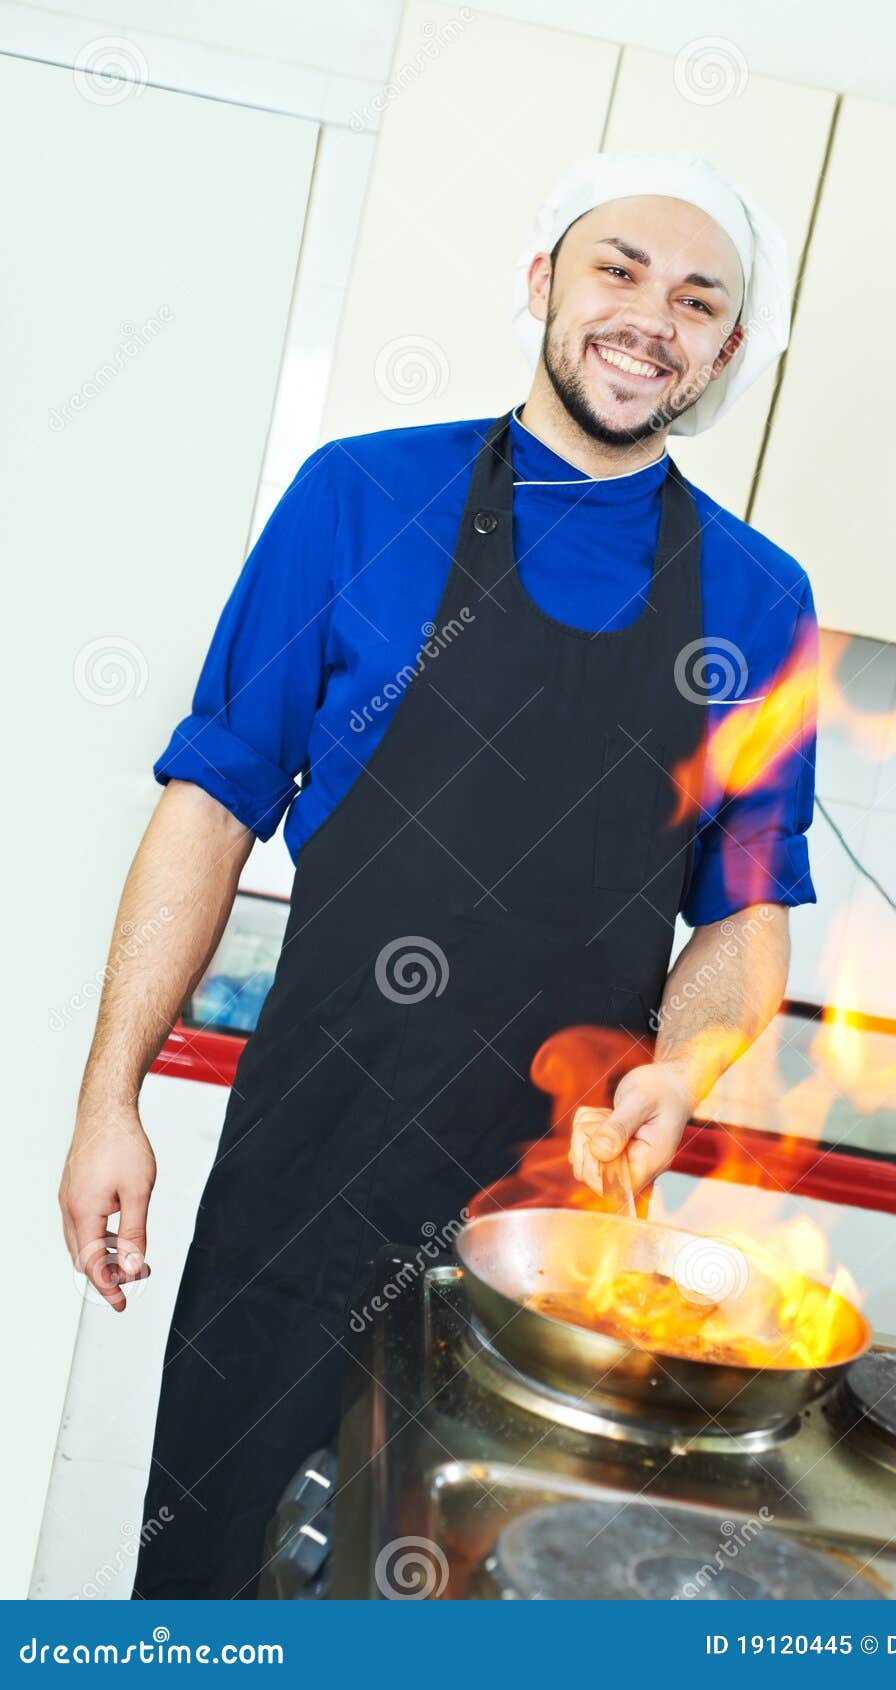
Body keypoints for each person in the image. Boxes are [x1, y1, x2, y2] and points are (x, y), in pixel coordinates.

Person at [58, 152, 818, 1598]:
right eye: (619, 270)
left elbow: (742, 912)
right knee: (218, 1583)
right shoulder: (360, 499)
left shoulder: (758, 596)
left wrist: (684, 1067)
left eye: (698, 299)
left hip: (550, 1249)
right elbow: (208, 806)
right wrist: (112, 1094)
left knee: (473, 1608)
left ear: (726, 350)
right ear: (541, 284)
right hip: (306, 1180)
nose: (652, 316)